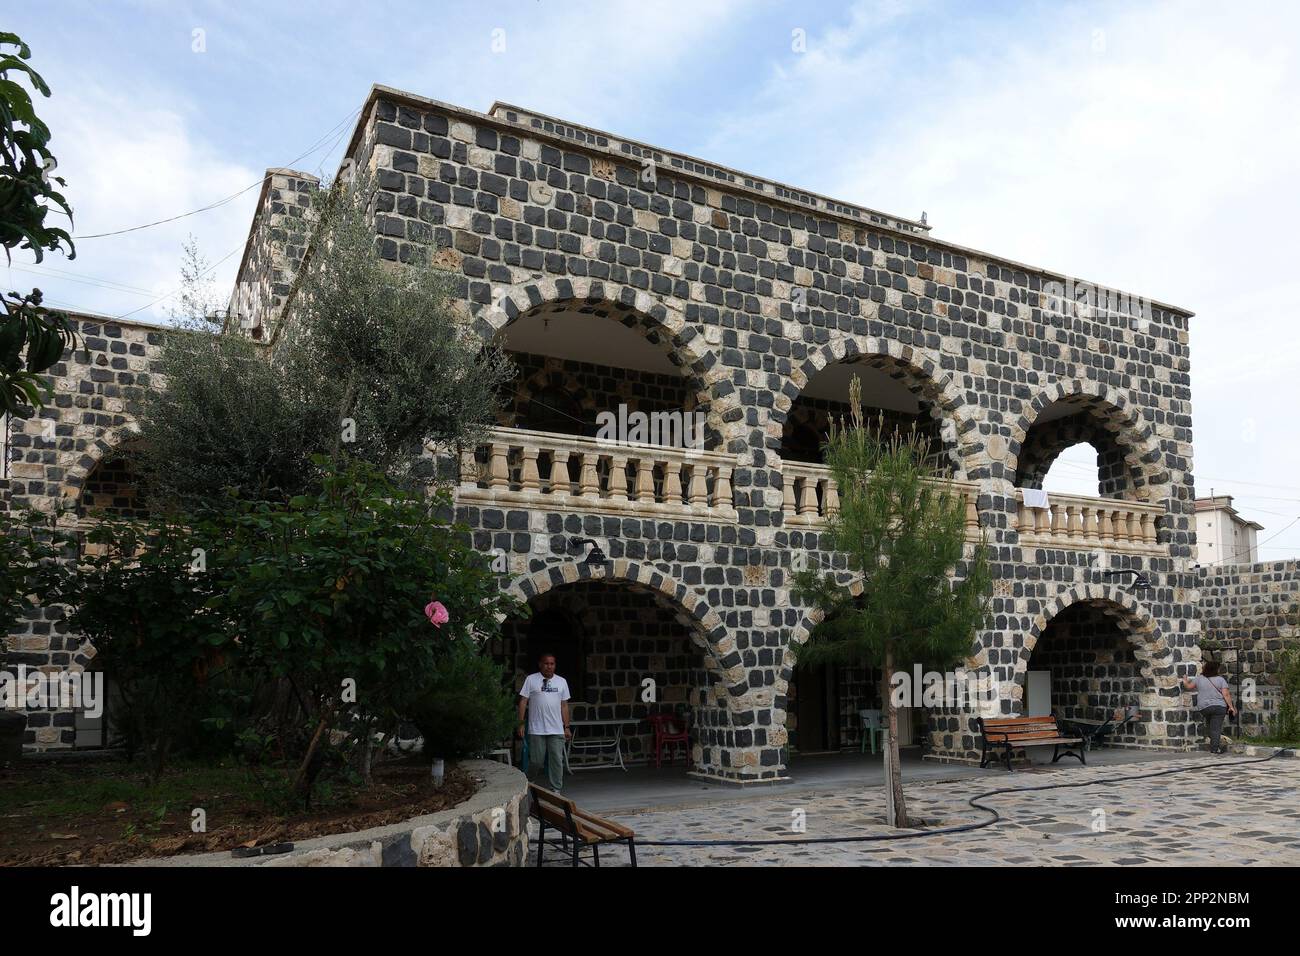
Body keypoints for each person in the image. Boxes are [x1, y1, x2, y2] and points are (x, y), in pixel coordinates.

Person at [517, 652, 571, 792]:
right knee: (536, 761)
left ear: (555, 665)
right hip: (537, 728)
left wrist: (567, 726)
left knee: (557, 761)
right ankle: (528, 781)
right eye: (546, 663)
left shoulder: (562, 681)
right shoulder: (531, 679)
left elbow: (564, 705)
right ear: (540, 664)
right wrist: (521, 723)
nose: (549, 666)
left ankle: (556, 790)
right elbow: (523, 701)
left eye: (552, 664)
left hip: (556, 728)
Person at [1182, 660, 1236, 754]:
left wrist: (1185, 679)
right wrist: (1231, 707)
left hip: (1204, 708)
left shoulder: (1199, 679)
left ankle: (1213, 743)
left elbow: (1188, 686)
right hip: (1219, 707)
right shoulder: (1220, 679)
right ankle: (1215, 749)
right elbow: (1226, 695)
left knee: (1210, 726)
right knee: (1216, 728)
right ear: (1216, 669)